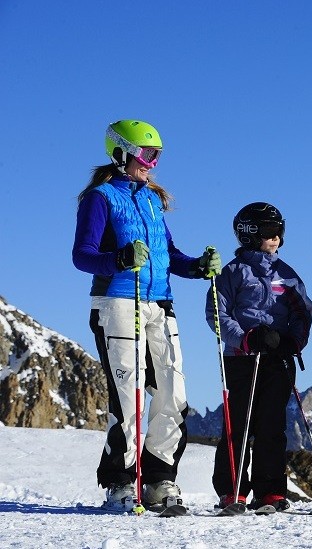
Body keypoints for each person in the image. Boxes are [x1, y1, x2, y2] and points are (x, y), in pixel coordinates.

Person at [72, 119, 221, 512]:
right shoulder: (100, 197)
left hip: (160, 302)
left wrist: (199, 266)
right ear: (120, 152)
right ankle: (121, 481)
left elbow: (168, 255)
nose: (151, 163)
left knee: (173, 393)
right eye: (145, 154)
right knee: (130, 397)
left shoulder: (152, 201)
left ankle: (158, 478)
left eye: (157, 156)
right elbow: (82, 255)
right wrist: (118, 259)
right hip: (118, 302)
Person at [206, 202, 312, 512]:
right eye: (269, 232)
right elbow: (217, 312)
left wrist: (293, 340)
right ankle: (233, 490)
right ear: (250, 234)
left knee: (272, 424)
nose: (276, 238)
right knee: (238, 422)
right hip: (243, 357)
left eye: (279, 231)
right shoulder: (233, 272)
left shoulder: (286, 273)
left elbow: (302, 311)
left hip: (277, 356)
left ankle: (270, 491)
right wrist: (245, 338)